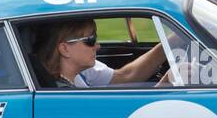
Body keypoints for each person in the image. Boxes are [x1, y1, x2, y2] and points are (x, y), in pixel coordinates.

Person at [37, 18, 167, 88]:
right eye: (90, 40)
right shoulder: (65, 93)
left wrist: (169, 44)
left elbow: (125, 77)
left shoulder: (75, 75)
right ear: (65, 49)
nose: (98, 46)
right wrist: (162, 87)